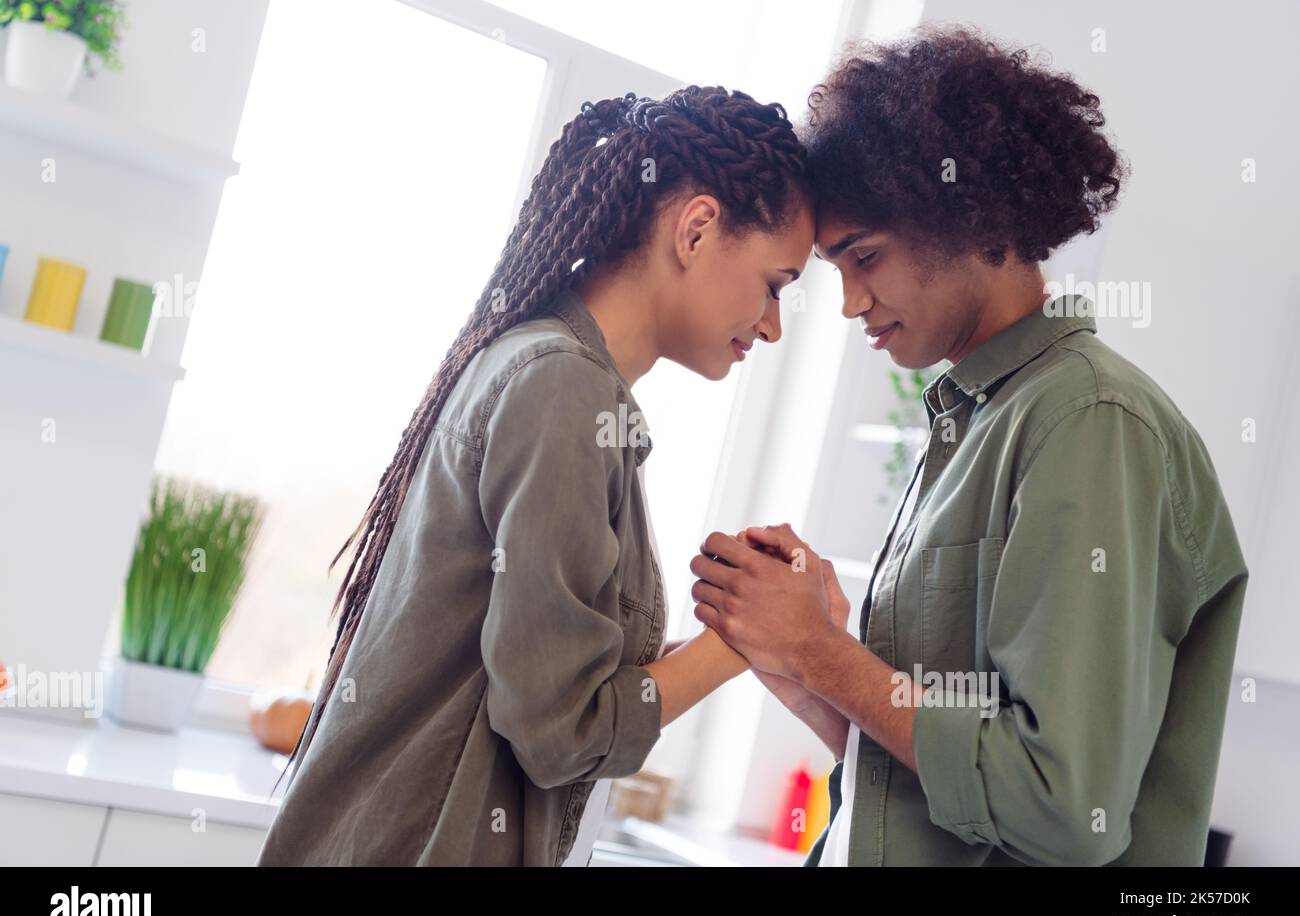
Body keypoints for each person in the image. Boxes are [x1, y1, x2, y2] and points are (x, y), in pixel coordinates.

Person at [692, 27, 1249, 866]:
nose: (850, 303)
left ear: (970, 220)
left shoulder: (1091, 421)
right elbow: (941, 796)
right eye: (836, 270)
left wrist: (824, 653)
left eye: (865, 257)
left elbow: (1062, 809)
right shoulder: (981, 416)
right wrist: (805, 670)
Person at [256, 86, 814, 866]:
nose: (774, 324)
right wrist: (743, 643)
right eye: (776, 284)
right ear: (696, 230)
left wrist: (736, 625)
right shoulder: (563, 387)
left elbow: (544, 674)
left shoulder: (539, 364)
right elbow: (559, 731)